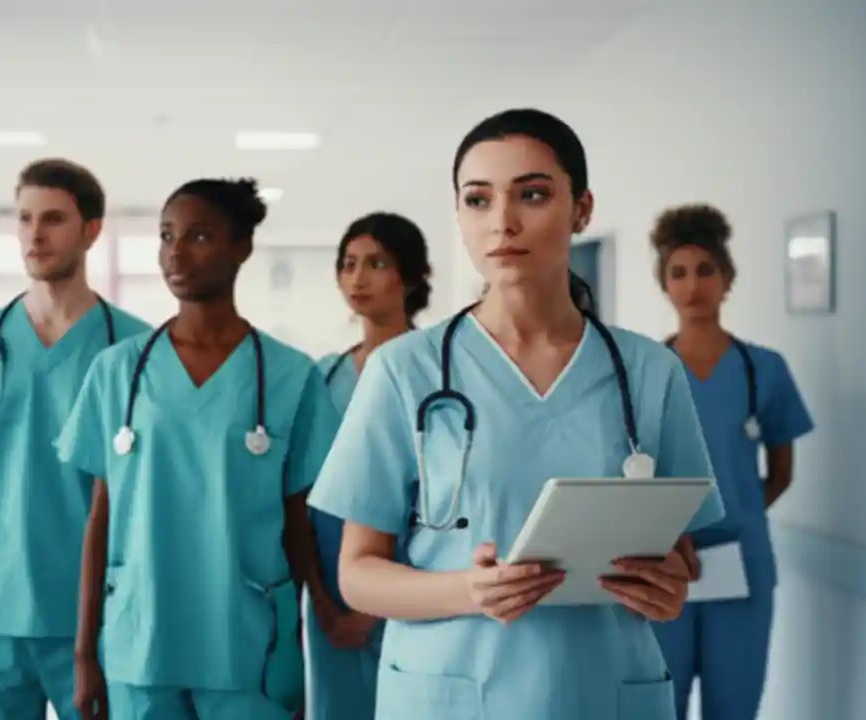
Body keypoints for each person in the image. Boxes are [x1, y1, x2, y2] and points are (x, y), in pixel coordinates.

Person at [305, 108, 727, 720]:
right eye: (477, 201)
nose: (502, 222)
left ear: (581, 209)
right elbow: (358, 575)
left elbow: (678, 556)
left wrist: (668, 589)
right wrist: (469, 591)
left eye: (532, 194)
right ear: (458, 215)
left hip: (604, 689)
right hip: (448, 693)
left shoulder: (649, 372)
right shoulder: (405, 371)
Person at [59, 178, 340, 720]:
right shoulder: (118, 371)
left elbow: (299, 516)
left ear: (242, 248)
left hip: (247, 640)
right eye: (167, 236)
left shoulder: (289, 376)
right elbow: (101, 516)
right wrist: (82, 654)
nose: (177, 252)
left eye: (200, 236)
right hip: (142, 643)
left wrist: (322, 613)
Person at [0, 158, 150, 720]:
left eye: (53, 219)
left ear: (91, 230)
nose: (34, 234)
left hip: (97, 616)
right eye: (24, 219)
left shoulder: (136, 350)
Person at [648, 204, 814, 720]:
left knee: (734, 706)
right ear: (664, 284)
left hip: (741, 566)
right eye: (678, 272)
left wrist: (736, 512)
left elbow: (782, 472)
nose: (692, 285)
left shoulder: (763, 368)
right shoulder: (646, 370)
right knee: (658, 703)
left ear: (727, 279)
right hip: (662, 565)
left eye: (705, 271)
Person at [308, 212, 432, 720]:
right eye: (349, 263)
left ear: (410, 275)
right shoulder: (324, 376)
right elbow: (306, 494)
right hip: (332, 593)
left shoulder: (437, 371)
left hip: (415, 580)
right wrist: (327, 604)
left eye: (376, 263)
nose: (357, 278)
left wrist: (374, 603)